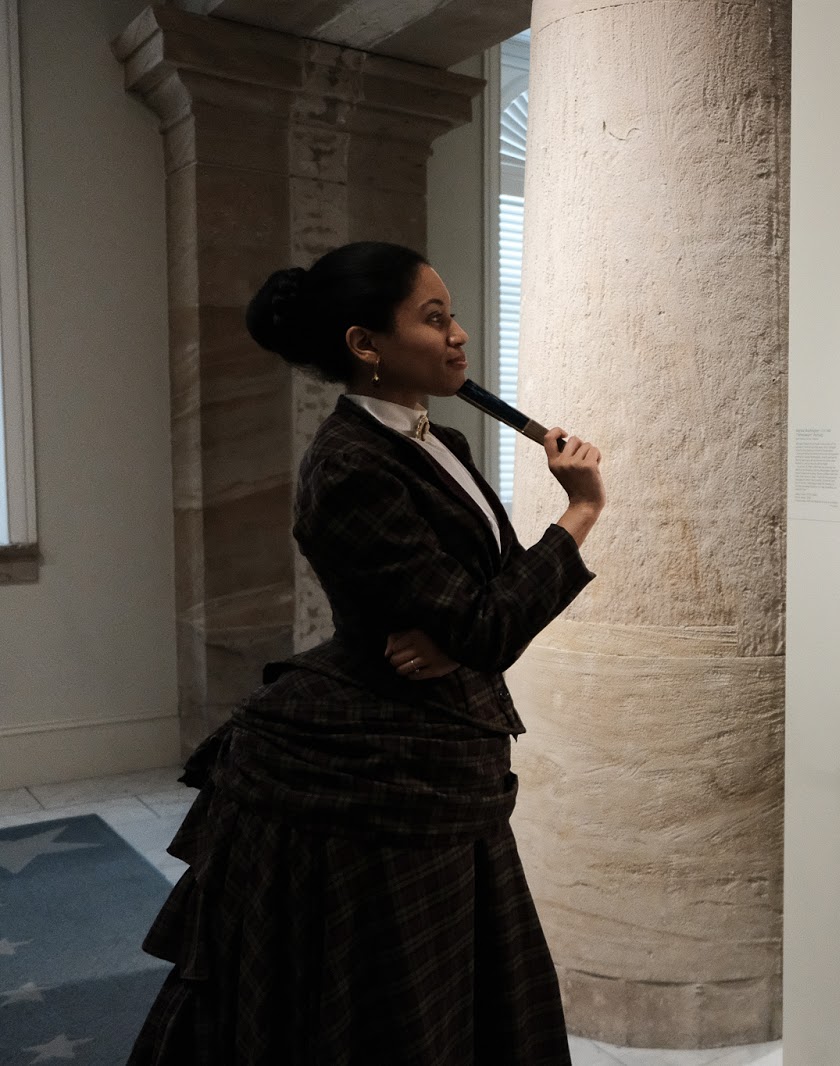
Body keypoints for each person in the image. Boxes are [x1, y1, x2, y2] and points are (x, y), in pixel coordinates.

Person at [128, 241, 603, 1065]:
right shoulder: (348, 466)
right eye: (433, 318)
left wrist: (461, 643)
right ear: (364, 344)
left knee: (461, 987)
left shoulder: (440, 440)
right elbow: (492, 621)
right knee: (388, 1006)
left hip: (444, 748)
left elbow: (486, 605)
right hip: (372, 766)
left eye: (451, 315)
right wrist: (581, 512)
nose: (459, 336)